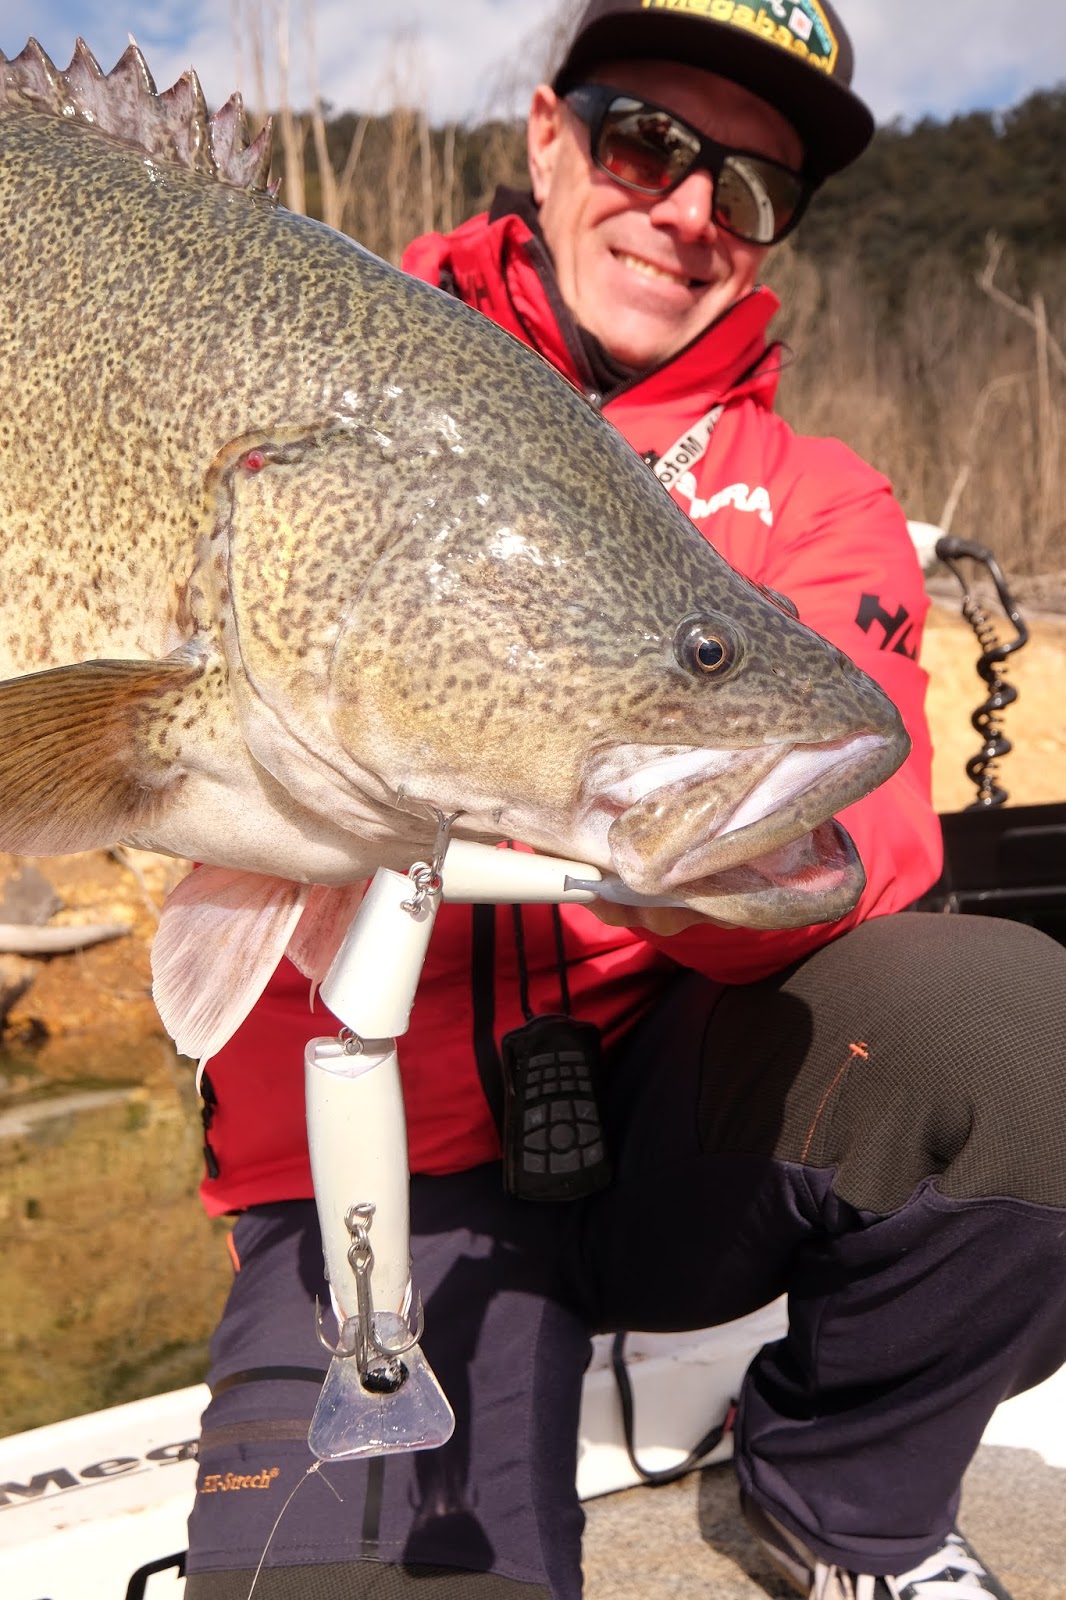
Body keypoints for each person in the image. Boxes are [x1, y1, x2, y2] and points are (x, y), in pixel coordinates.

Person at [182, 4, 1066, 1597]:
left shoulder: (816, 497)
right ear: (546, 136)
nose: (688, 211)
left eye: (751, 188)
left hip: (682, 1130)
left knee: (1018, 1031)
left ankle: (843, 1506)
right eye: (646, 140)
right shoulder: (303, 380)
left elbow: (863, 833)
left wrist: (685, 847)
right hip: (377, 1162)